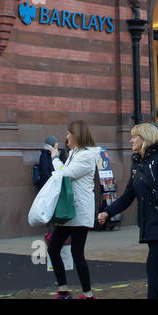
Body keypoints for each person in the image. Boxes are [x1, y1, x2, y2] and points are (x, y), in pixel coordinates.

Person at [97, 123, 158, 299]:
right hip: (148, 223)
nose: (131, 140)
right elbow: (128, 195)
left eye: (134, 137)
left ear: (145, 138)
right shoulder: (137, 163)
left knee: (152, 265)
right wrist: (108, 212)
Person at [48, 120, 101, 300]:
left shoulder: (86, 155)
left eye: (69, 133)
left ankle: (88, 294)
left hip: (80, 210)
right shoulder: (74, 153)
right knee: (54, 247)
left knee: (77, 252)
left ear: (76, 135)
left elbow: (66, 174)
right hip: (69, 210)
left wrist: (55, 159)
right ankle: (63, 289)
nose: (66, 137)